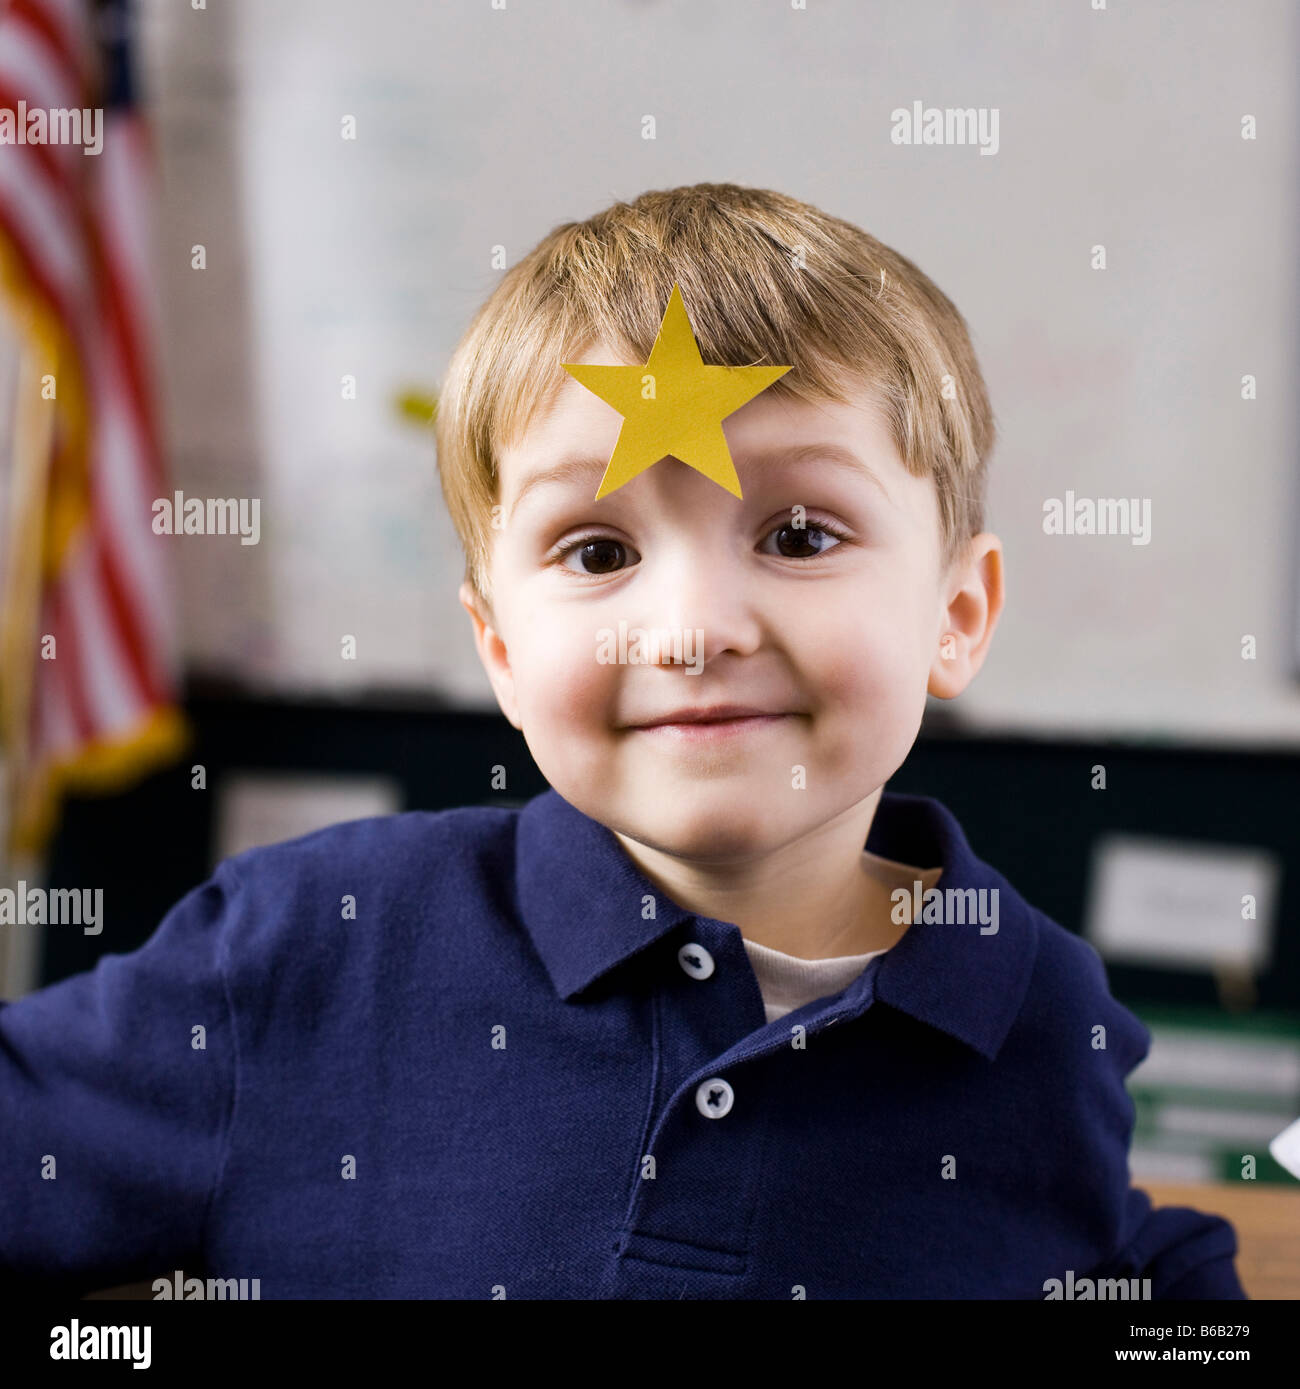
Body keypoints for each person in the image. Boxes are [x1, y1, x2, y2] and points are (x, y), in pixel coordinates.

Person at [0, 183, 1244, 1298]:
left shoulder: (1033, 1010)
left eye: (801, 535)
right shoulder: (307, 946)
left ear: (956, 616)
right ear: (498, 650)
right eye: (597, 553)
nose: (693, 631)